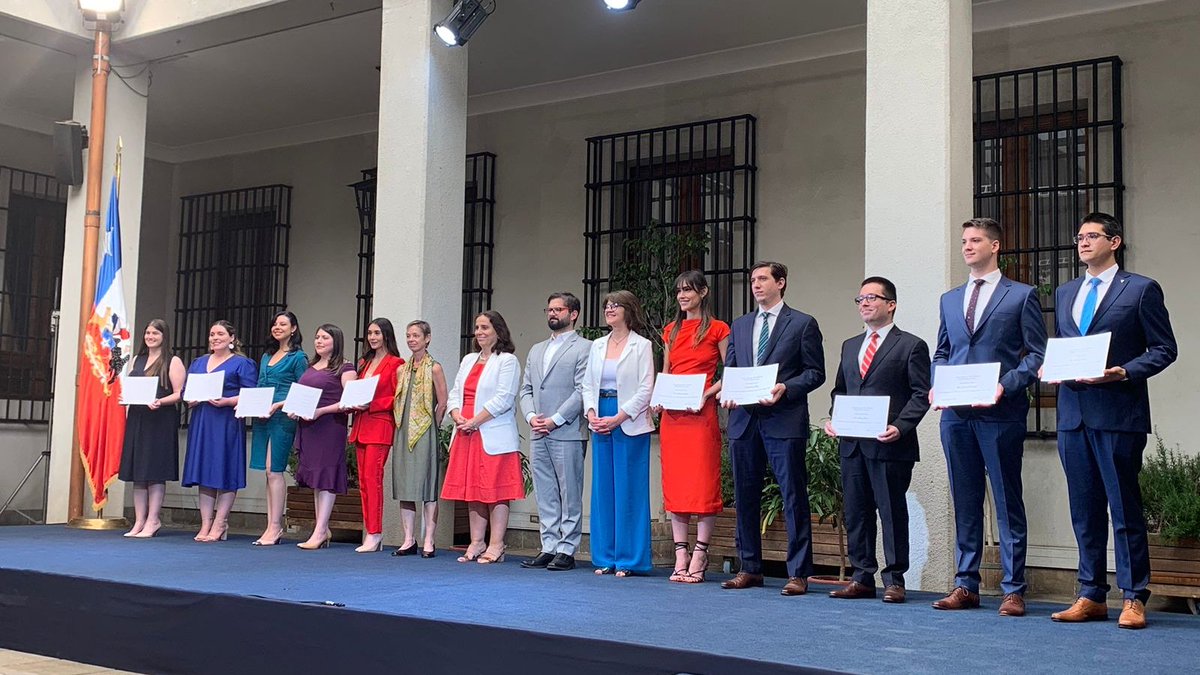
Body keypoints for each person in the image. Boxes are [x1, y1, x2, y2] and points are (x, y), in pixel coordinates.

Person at [1047, 213, 1177, 630]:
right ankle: (1090, 593)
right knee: (1084, 510)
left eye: (1092, 236)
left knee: (1124, 508)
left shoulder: (1140, 289)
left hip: (1119, 412)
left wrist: (1124, 370)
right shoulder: (1066, 292)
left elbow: (1163, 349)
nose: (1083, 242)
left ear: (1114, 241)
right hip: (1073, 414)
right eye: (1079, 236)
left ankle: (1134, 596)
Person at [930, 217, 1046, 616]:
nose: (967, 246)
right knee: (965, 500)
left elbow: (1036, 356)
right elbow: (943, 351)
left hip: (1001, 411)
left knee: (1006, 498)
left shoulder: (1021, 295)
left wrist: (1007, 384)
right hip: (956, 415)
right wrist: (936, 383)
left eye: (975, 240)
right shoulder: (950, 298)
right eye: (964, 240)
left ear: (995, 246)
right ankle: (966, 584)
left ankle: (1013, 588)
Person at [720, 261, 825, 596]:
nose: (756, 285)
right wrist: (728, 391)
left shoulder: (803, 323)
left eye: (763, 279)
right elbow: (732, 368)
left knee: (793, 495)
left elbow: (815, 372)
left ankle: (798, 572)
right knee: (745, 495)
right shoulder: (740, 324)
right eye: (752, 280)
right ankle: (749, 567)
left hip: (784, 419)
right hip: (744, 420)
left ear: (781, 283)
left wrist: (786, 387)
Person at [824, 277, 931, 603]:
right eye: (860, 299)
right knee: (857, 512)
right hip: (853, 444)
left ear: (891, 304)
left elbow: (920, 394)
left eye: (872, 298)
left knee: (892, 512)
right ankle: (862, 577)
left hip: (890, 444)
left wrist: (901, 426)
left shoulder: (911, 345)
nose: (865, 304)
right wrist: (834, 417)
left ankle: (895, 580)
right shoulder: (850, 345)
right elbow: (841, 390)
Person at [653, 272, 729, 583]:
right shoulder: (671, 330)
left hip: (701, 414)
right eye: (679, 291)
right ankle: (680, 551)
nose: (683, 295)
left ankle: (701, 550)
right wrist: (658, 398)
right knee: (677, 484)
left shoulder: (718, 328)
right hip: (673, 417)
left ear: (703, 292)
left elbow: (731, 371)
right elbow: (666, 371)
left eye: (689, 290)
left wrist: (706, 393)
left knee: (702, 483)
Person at [441, 311, 524, 564]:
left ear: (498, 331)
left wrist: (474, 421)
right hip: (465, 431)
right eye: (477, 327)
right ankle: (477, 542)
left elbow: (504, 398)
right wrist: (457, 416)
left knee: (495, 491)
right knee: (472, 490)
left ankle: (497, 544)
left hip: (490, 431)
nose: (479, 332)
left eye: (485, 327)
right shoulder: (468, 360)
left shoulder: (507, 361)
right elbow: (456, 392)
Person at [582, 291, 655, 578]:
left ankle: (629, 559)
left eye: (615, 306)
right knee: (603, 490)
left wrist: (621, 415)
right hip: (600, 415)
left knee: (629, 490)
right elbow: (587, 383)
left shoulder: (642, 345)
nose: (609, 310)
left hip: (628, 420)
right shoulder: (597, 345)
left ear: (629, 310)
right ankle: (604, 556)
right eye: (607, 306)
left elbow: (646, 387)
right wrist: (590, 412)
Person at [519, 292, 591, 572]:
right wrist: (531, 416)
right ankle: (548, 546)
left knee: (569, 490)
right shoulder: (537, 349)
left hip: (567, 429)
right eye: (548, 309)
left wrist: (556, 419)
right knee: (546, 491)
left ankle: (567, 548)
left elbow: (582, 389)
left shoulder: (585, 347)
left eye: (558, 309)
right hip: (539, 430)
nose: (552, 314)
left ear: (573, 314)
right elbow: (526, 389)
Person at [182, 320, 258, 542]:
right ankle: (205, 523)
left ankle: (221, 522)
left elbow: (251, 394)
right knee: (205, 471)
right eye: (212, 334)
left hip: (226, 421)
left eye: (220, 334)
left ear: (232, 338)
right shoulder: (198, 362)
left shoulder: (242, 364)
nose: (215, 338)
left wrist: (227, 400)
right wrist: (191, 398)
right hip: (202, 420)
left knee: (224, 470)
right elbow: (187, 391)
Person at [289, 323, 357, 550]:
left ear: (335, 341)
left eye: (325, 338)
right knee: (316, 478)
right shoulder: (311, 366)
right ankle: (322, 527)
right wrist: (293, 408)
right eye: (317, 337)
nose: (319, 341)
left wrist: (321, 411)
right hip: (308, 427)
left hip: (329, 426)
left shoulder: (345, 368)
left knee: (326, 476)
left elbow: (349, 399)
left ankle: (319, 531)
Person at [119, 319, 186, 539]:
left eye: (155, 333)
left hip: (160, 420)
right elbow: (131, 387)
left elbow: (180, 393)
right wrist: (125, 396)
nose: (150, 336)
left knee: (154, 471)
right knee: (138, 472)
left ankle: (153, 519)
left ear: (164, 336)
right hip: (138, 418)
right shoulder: (137, 359)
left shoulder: (172, 361)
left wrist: (160, 401)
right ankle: (139, 520)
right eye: (147, 333)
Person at [249, 311, 307, 546]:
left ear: (293, 328)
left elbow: (304, 390)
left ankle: (276, 526)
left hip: (283, 416)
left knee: (275, 469)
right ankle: (270, 523)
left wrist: (280, 404)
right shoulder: (266, 355)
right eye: (275, 323)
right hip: (264, 417)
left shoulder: (298, 357)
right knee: (267, 471)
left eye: (283, 324)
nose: (277, 327)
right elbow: (260, 385)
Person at [391, 320, 448, 558]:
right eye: (409, 336)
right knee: (405, 486)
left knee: (427, 486)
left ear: (427, 338)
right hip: (403, 429)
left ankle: (429, 539)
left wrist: (432, 425)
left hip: (425, 429)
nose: (412, 339)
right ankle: (408, 539)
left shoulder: (434, 367)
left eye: (416, 335)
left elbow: (443, 401)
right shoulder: (401, 370)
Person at [348, 318, 404, 553]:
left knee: (373, 480)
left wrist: (373, 403)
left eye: (377, 333)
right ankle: (370, 531)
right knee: (363, 482)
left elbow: (398, 398)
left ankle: (375, 532)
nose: (372, 337)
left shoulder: (396, 363)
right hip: (361, 424)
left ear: (386, 336)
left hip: (380, 426)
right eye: (370, 333)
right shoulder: (363, 362)